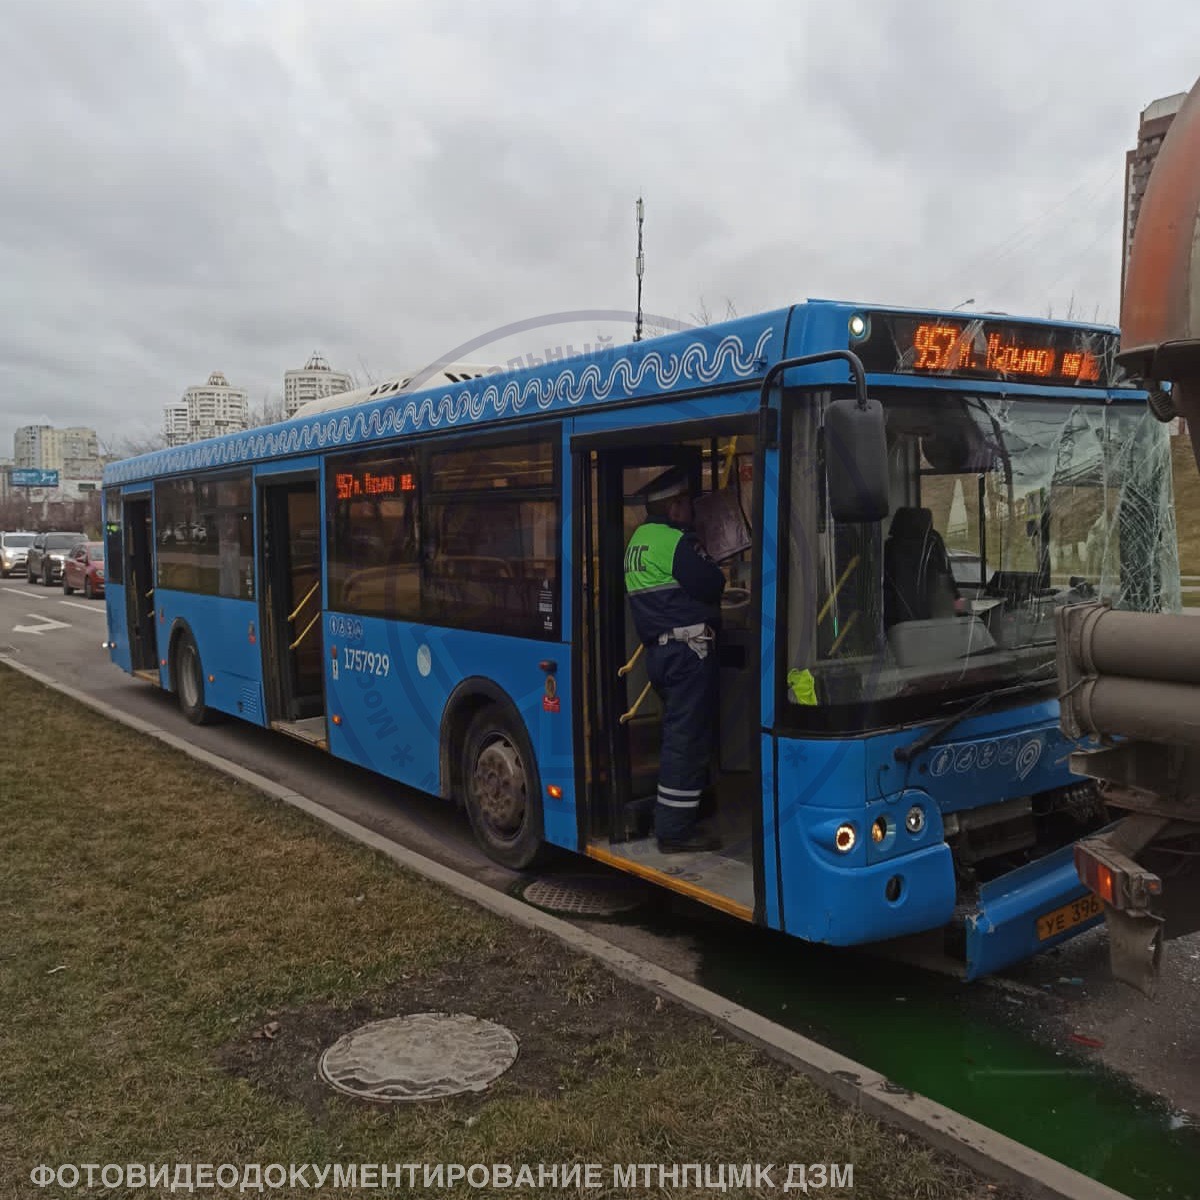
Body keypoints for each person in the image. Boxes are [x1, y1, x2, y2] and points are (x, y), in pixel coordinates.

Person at [623, 465, 726, 853]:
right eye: (685, 503)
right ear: (672, 508)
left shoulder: (638, 541)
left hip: (660, 654)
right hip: (688, 653)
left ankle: (681, 815)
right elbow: (713, 584)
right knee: (686, 740)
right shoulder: (676, 542)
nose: (691, 510)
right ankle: (675, 830)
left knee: (678, 736)